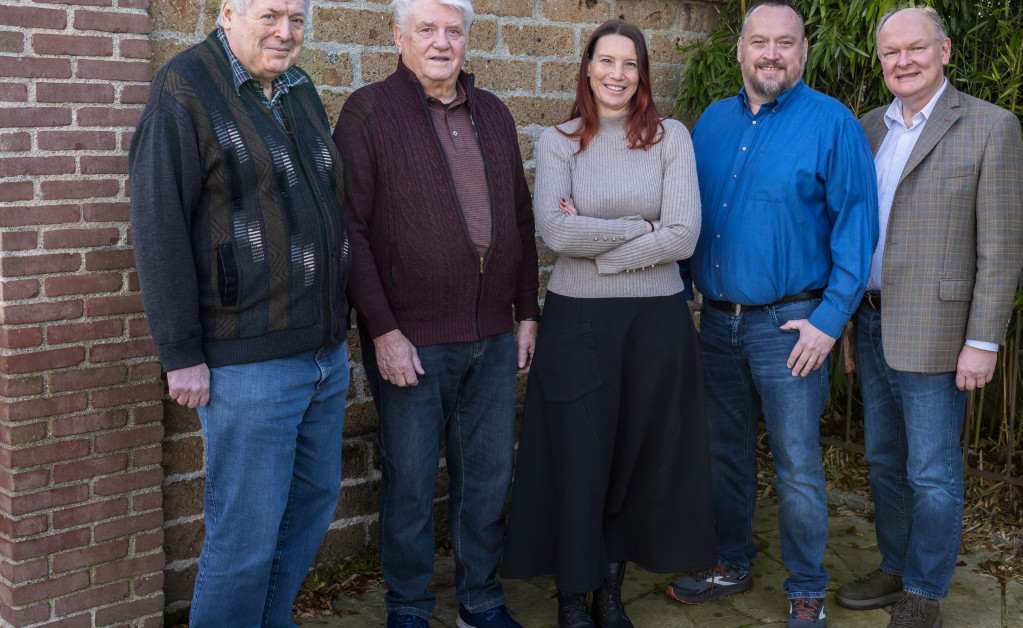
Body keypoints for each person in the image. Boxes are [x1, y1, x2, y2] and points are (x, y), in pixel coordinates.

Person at [128, 0, 350, 624]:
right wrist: (181, 354)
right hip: (248, 361)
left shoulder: (301, 88)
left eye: (298, 19)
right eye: (270, 14)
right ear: (228, 12)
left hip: (323, 353)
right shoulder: (185, 87)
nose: (286, 31)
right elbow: (157, 226)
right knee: (245, 538)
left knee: (311, 505)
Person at [665, 2, 878, 627]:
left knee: (797, 462)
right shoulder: (709, 123)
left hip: (791, 328)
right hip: (717, 320)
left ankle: (806, 583)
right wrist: (679, 291)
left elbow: (857, 231)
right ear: (740, 49)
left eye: (785, 43)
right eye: (760, 42)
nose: (771, 55)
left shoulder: (832, 125)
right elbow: (691, 219)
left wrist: (829, 320)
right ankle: (729, 562)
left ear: (804, 51)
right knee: (724, 453)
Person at [500, 18, 716, 628]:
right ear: (587, 67)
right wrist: (642, 231)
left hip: (655, 323)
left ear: (642, 73)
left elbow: (685, 234)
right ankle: (573, 596)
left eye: (629, 63)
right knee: (579, 457)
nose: (617, 74)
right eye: (606, 61)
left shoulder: (671, 138)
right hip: (576, 322)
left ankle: (611, 594)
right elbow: (555, 230)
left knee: (635, 457)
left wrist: (606, 249)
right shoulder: (559, 140)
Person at [331, 0, 538, 626]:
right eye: (427, 29)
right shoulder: (368, 112)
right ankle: (409, 607)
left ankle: (480, 598)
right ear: (399, 37)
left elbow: (521, 221)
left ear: (468, 40)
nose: (441, 42)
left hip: (493, 337)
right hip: (411, 342)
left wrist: (527, 310)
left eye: (453, 30)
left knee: (487, 479)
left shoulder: (495, 114)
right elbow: (350, 233)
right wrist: (383, 332)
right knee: (412, 483)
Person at [834, 7, 1023, 627]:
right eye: (891, 52)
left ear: (944, 50)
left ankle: (925, 592)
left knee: (933, 471)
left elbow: (1001, 248)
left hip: (941, 333)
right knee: (884, 461)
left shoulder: (990, 127)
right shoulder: (867, 129)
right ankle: (895, 567)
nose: (903, 61)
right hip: (871, 321)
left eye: (915, 48)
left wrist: (983, 340)